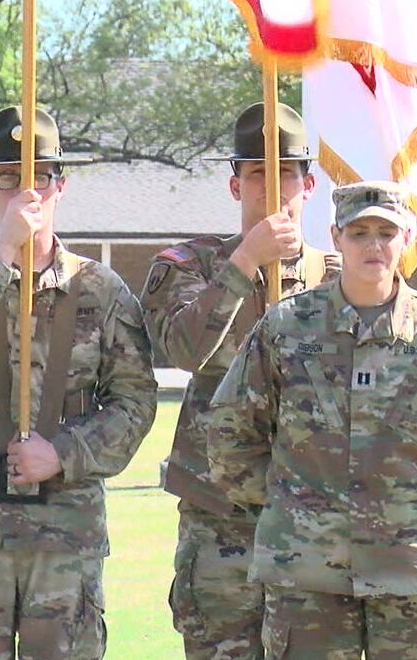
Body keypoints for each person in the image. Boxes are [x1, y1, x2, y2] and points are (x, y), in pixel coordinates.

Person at [207, 181, 417, 659]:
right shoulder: (287, 326)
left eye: (385, 232)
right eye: (359, 233)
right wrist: (287, 504)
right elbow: (228, 429)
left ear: (406, 240)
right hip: (307, 571)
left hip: (413, 572)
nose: (373, 245)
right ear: (336, 237)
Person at [0, 106, 158, 659]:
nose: (26, 192)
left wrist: (64, 453)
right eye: (8, 177)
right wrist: (1, 251)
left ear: (61, 184)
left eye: (40, 176)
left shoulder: (102, 290)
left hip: (64, 523)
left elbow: (135, 403)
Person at [140, 102, 340, 659]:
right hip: (219, 516)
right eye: (256, 173)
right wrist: (245, 262)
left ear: (309, 184)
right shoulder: (189, 266)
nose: (270, 187)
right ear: (234, 185)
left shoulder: (340, 281)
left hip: (312, 518)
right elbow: (183, 349)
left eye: (284, 172)